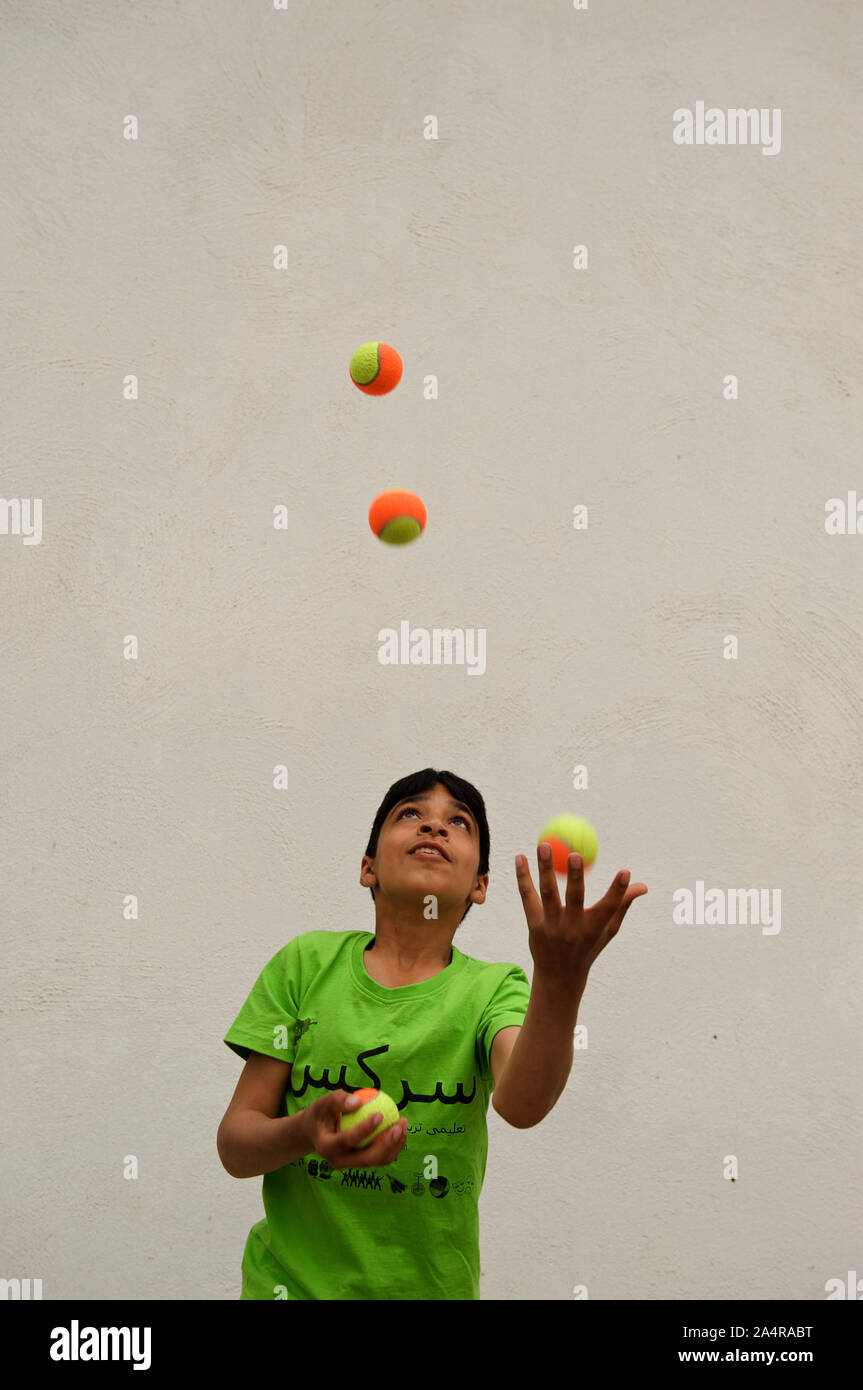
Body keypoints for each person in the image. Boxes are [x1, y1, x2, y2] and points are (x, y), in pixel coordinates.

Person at [217, 767, 529, 1300]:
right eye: (411, 814)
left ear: (480, 885)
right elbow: (236, 1149)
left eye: (459, 821)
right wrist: (304, 1133)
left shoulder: (494, 988)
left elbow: (525, 1104)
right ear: (368, 868)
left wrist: (564, 981)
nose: (433, 827)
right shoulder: (305, 965)